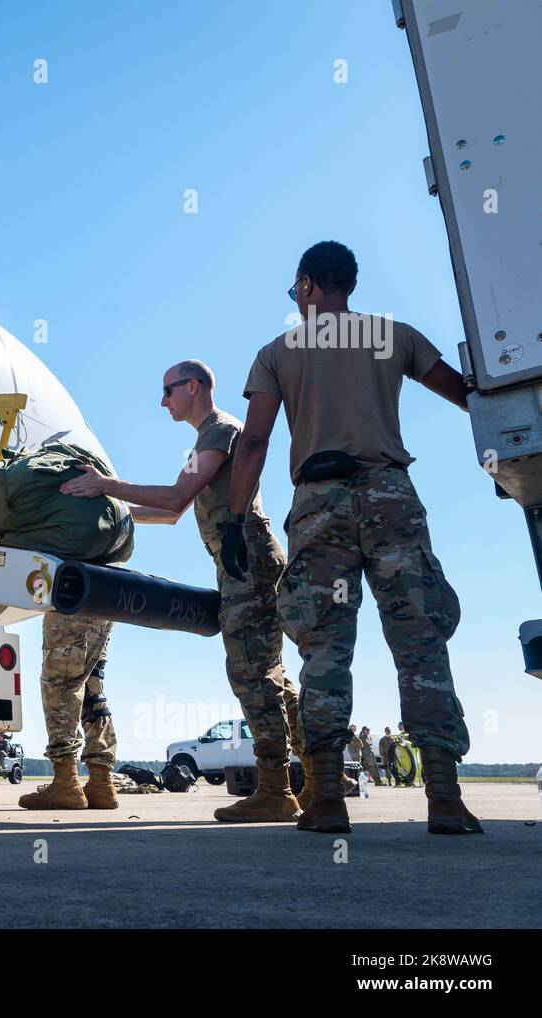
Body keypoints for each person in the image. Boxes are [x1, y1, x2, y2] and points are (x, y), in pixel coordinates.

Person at [224, 240, 480, 836]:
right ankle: (444, 797)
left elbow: (254, 443)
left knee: (324, 648)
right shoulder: (395, 335)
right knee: (420, 642)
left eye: (295, 290)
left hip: (319, 507)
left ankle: (327, 799)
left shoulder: (276, 352)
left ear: (308, 284)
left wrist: (235, 519)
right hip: (391, 498)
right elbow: (469, 394)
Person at [61, 359, 302, 822]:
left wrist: (103, 486)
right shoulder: (203, 440)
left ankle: (276, 789)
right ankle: (312, 773)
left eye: (168, 391)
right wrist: (110, 508)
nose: (163, 401)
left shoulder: (219, 430)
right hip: (241, 561)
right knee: (268, 671)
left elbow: (175, 497)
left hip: (245, 559)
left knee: (251, 671)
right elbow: (172, 511)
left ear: (193, 386)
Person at [17, 616, 121, 811]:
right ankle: (101, 783)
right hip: (106, 603)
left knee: (60, 685)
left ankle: (66, 783)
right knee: (92, 687)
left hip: (72, 600)